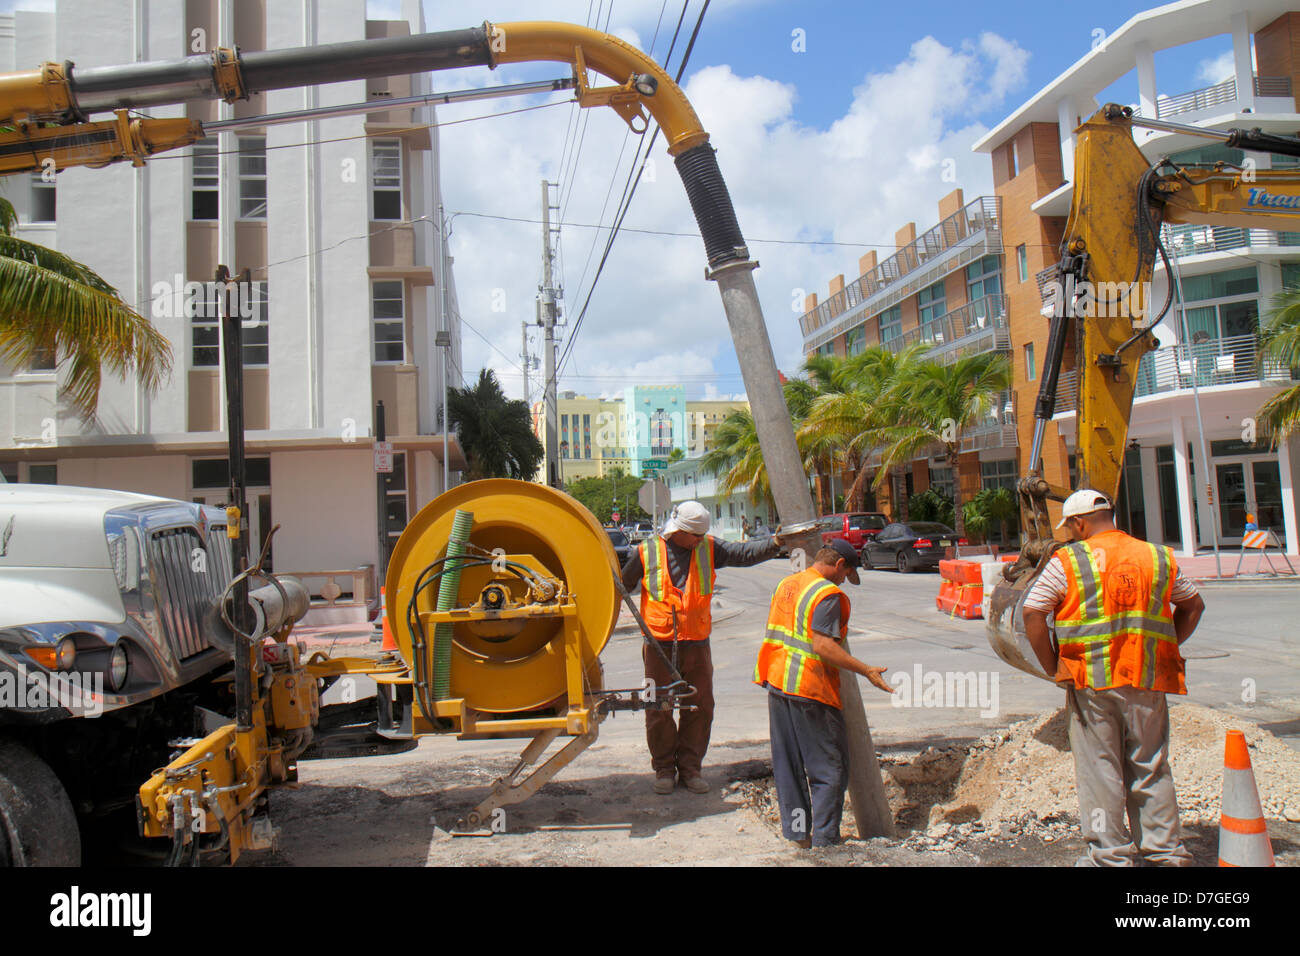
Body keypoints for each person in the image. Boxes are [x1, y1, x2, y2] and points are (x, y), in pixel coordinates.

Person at [1022, 489, 1205, 867]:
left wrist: (1053, 666)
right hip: (1147, 677)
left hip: (1091, 681)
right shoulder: (1157, 556)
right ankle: (1165, 852)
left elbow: (1032, 612)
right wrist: (1164, 645)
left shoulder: (1068, 560)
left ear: (1078, 522)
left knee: (1100, 768)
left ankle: (1111, 856)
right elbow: (1193, 605)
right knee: (1151, 764)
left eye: (1071, 528)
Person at [621, 500, 779, 793]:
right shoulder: (646, 551)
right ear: (678, 530)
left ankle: (691, 769)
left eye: (701, 536)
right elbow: (621, 586)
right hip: (658, 643)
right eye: (694, 535)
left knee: (700, 705)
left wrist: (776, 543)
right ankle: (664, 770)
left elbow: (742, 554)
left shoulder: (707, 547)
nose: (699, 540)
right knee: (659, 706)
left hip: (696, 640)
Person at [755, 539, 894, 848]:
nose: (844, 580)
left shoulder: (788, 584)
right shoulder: (827, 594)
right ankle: (826, 843)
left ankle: (799, 835)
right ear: (839, 565)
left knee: (789, 767)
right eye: (846, 574)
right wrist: (865, 669)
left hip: (778, 685)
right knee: (829, 770)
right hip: (810, 690)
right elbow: (822, 645)